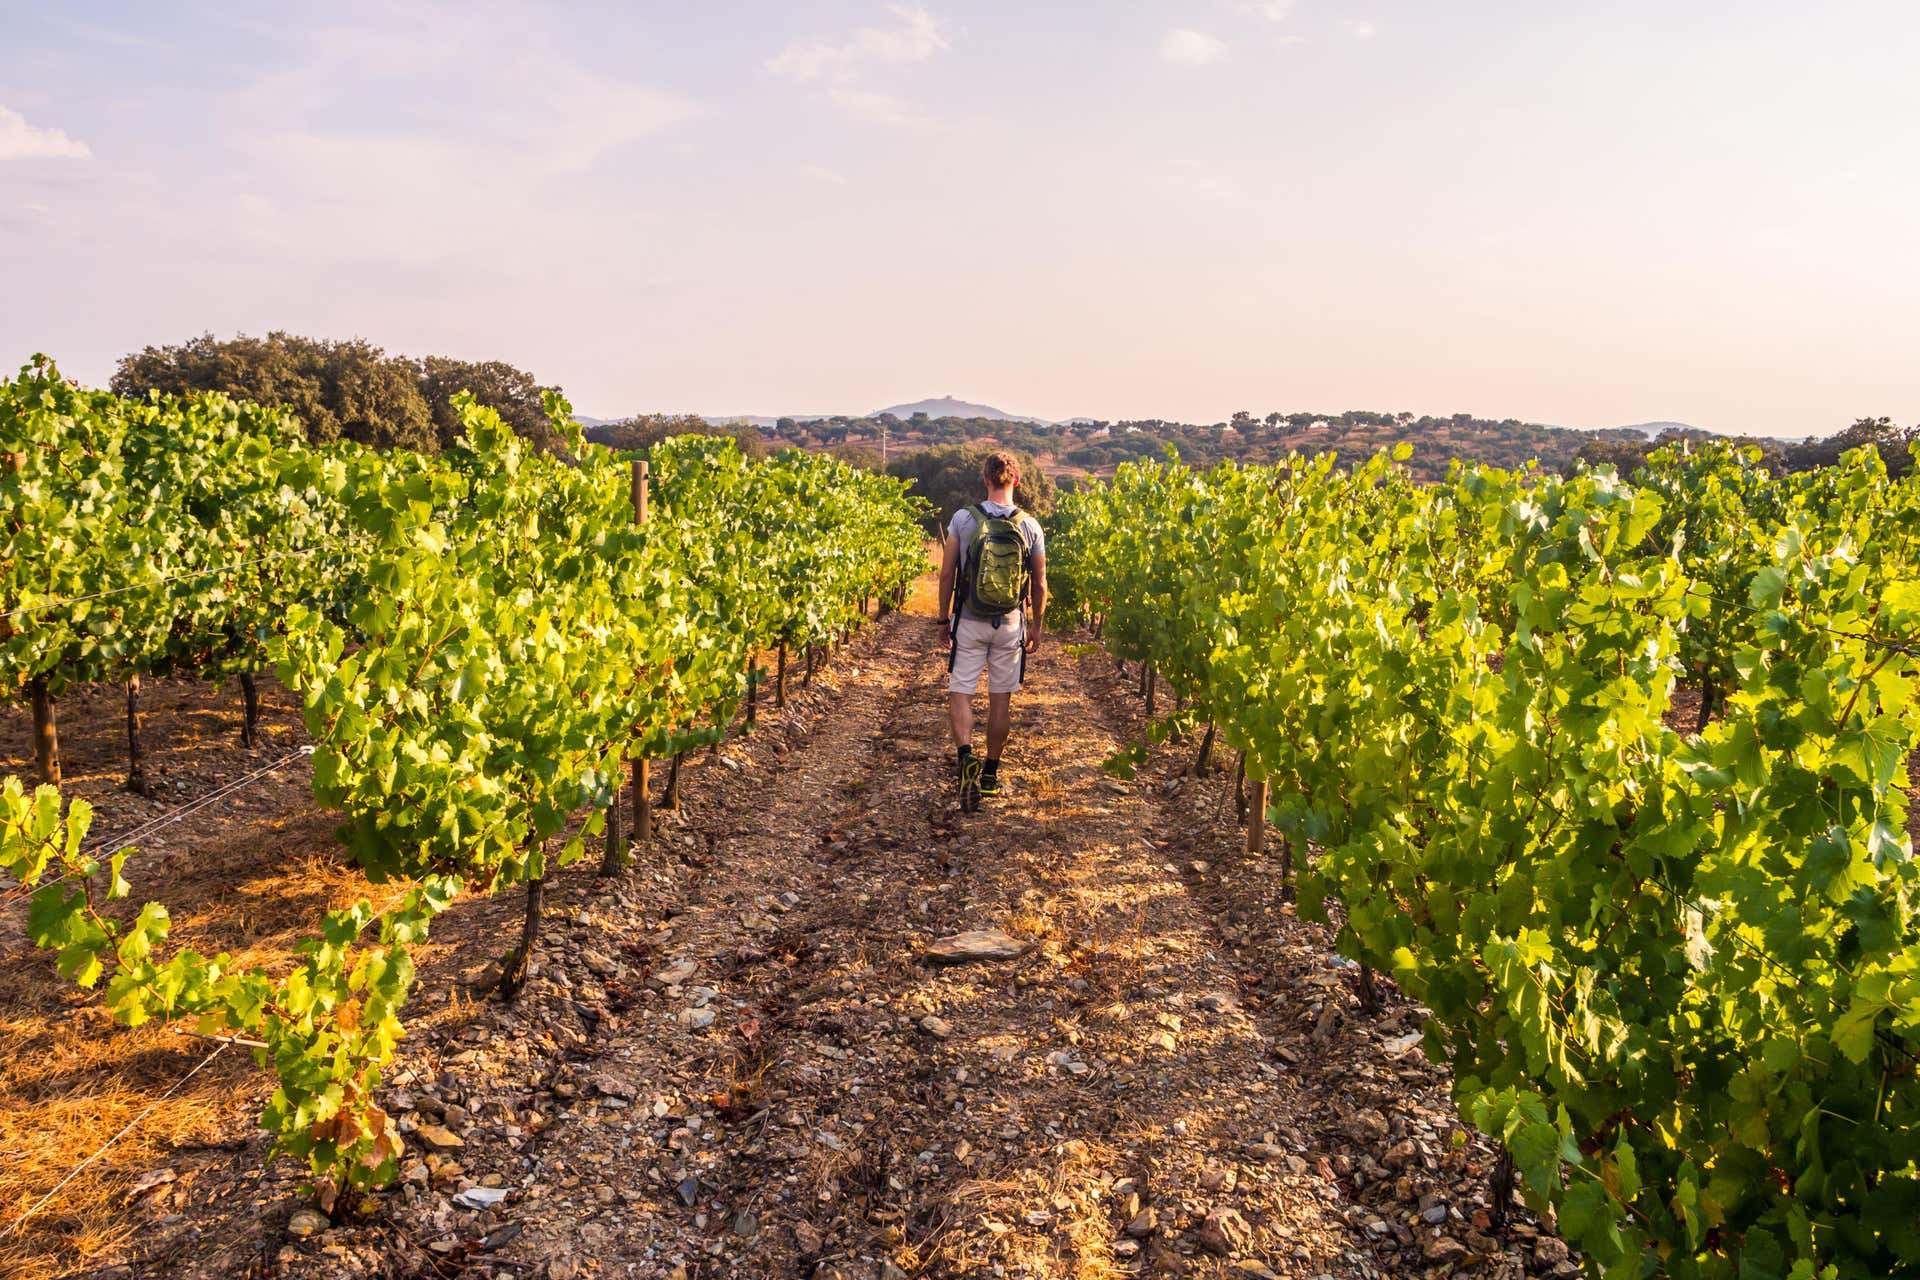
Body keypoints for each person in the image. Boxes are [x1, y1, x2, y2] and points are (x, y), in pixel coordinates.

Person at [936, 451, 1047, 809]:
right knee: (1001, 699)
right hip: (1010, 623)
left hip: (969, 619)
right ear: (1016, 481)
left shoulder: (963, 520)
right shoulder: (1030, 526)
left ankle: (966, 754)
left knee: (961, 691)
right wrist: (1038, 627)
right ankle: (989, 774)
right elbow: (1040, 584)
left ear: (985, 479)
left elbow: (947, 573)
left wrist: (942, 618)